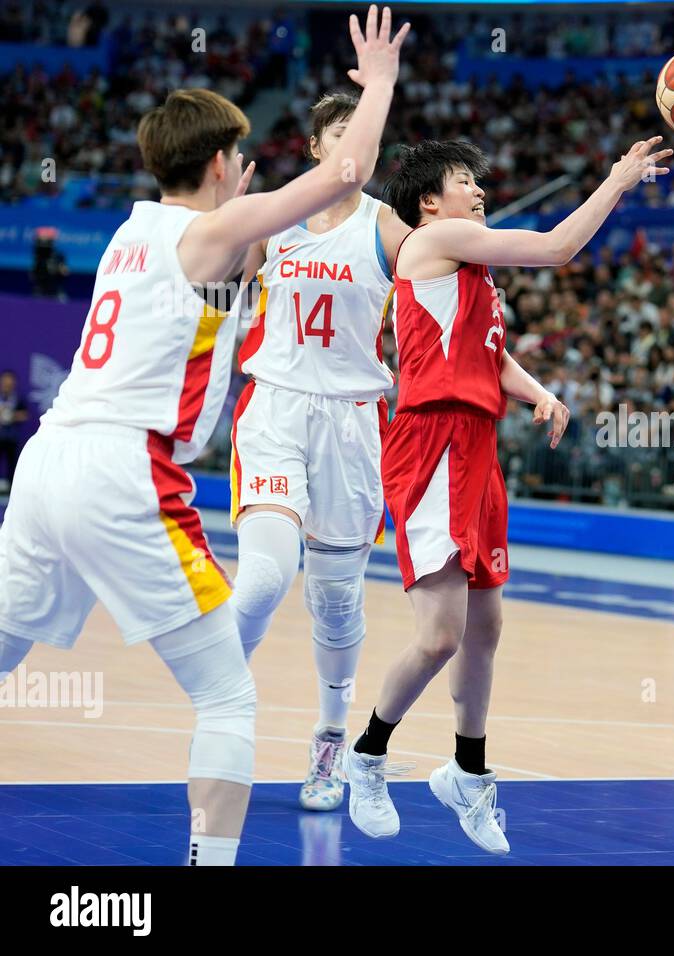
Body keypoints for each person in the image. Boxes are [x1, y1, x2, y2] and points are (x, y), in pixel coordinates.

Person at [0, 5, 408, 864]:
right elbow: (349, 170)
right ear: (222, 164)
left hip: (44, 464)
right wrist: (379, 84)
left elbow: (211, 303)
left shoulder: (129, 231)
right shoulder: (213, 230)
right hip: (122, 467)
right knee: (227, 696)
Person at [344, 135, 671, 851]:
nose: (478, 190)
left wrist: (536, 391)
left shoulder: (468, 265)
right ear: (430, 202)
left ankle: (467, 771)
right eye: (464, 180)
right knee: (440, 634)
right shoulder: (436, 241)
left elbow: (487, 354)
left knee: (485, 628)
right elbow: (557, 247)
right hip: (432, 445)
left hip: (476, 445)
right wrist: (617, 180)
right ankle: (365, 755)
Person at [227, 90, 411, 812]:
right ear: (315, 149)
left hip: (352, 423)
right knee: (263, 578)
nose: (353, 145)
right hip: (275, 407)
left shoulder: (388, 228)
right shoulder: (273, 218)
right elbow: (215, 298)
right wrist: (225, 228)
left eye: (363, 133)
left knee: (335, 602)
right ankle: (223, 704)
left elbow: (458, 309)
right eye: (340, 133)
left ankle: (332, 735)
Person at [0, 370, 28, 492]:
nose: (7, 384)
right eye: (5, 382)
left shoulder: (18, 399)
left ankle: (12, 489)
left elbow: (25, 415)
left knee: (12, 464)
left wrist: (11, 415)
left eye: (10, 382)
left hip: (11, 437)